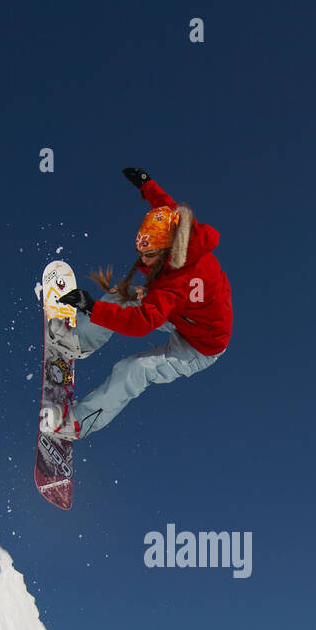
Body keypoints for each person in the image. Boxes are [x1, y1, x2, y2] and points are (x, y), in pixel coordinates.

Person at [48, 167, 233, 438]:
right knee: (121, 297)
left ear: (168, 251)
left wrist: (92, 307)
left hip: (201, 346)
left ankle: (79, 423)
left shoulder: (178, 280)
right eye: (140, 252)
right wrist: (146, 185)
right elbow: (165, 205)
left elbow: (142, 323)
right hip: (185, 318)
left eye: (149, 255)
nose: (142, 261)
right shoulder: (178, 228)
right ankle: (78, 342)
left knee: (134, 369)